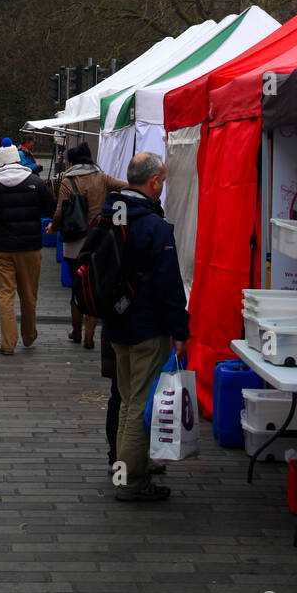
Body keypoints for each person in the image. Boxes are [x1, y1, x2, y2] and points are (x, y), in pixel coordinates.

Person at [101, 152, 190, 503]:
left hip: (117, 323)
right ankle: (131, 480)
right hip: (146, 327)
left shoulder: (110, 215)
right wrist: (179, 331)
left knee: (126, 399)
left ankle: (124, 466)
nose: (163, 186)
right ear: (153, 182)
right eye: (163, 180)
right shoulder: (153, 226)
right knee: (139, 403)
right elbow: (169, 286)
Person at [0, 143, 55, 355]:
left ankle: (8, 343)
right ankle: (29, 335)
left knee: (5, 295)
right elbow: (50, 207)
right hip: (30, 247)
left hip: (1, 246)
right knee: (29, 294)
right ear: (18, 159)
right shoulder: (35, 183)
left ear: (1, 162)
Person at [50, 142, 124, 349]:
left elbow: (59, 212)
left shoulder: (68, 180)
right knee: (93, 288)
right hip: (98, 242)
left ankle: (76, 332)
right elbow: (126, 185)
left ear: (72, 161)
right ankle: (90, 336)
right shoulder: (103, 177)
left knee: (77, 289)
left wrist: (53, 228)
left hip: (74, 244)